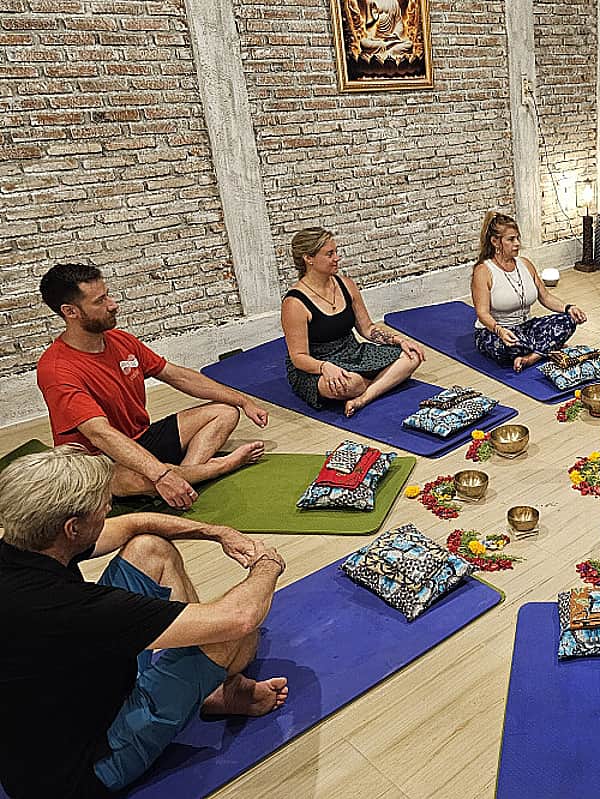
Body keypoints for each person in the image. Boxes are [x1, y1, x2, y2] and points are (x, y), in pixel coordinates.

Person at [0, 446, 288, 798]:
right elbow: (238, 619)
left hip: (59, 705)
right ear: (72, 528)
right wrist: (267, 566)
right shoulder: (69, 609)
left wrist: (216, 532)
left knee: (148, 548)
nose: (108, 508)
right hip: (84, 770)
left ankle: (204, 689)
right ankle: (210, 690)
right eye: (100, 507)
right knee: (232, 634)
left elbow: (136, 523)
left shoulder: (26, 546)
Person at [37, 263, 269, 511]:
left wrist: (243, 400)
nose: (113, 304)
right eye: (100, 301)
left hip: (138, 439)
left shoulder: (120, 340)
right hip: (96, 462)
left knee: (225, 411)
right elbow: (100, 434)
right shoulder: (57, 369)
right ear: (70, 312)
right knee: (136, 478)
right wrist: (160, 475)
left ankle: (187, 476)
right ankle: (219, 467)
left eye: (108, 294)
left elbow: (178, 376)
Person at [282, 227, 425, 418]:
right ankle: (384, 380)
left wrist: (399, 341)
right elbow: (298, 357)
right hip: (315, 365)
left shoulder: (345, 284)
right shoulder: (294, 303)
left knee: (412, 356)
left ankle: (364, 397)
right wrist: (325, 367)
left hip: (352, 352)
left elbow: (367, 328)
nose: (337, 258)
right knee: (350, 384)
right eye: (329, 254)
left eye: (336, 252)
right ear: (309, 258)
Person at [471, 211, 587, 372]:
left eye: (517, 238)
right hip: (496, 331)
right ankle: (547, 347)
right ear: (495, 242)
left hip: (526, 327)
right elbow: (482, 313)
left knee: (568, 321)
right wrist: (500, 331)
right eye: (511, 239)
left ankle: (532, 357)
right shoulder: (483, 270)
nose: (517, 243)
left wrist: (569, 308)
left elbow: (545, 297)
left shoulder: (525, 264)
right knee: (506, 348)